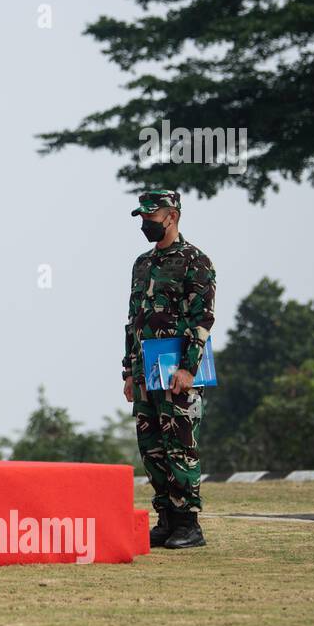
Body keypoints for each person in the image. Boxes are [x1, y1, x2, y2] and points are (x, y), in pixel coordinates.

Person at [123, 190, 216, 549]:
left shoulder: (196, 261)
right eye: (142, 218)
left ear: (172, 217)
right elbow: (134, 321)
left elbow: (202, 319)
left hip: (180, 371)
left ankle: (189, 524)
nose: (145, 224)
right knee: (152, 448)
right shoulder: (142, 264)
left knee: (180, 446)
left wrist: (188, 368)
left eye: (151, 217)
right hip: (147, 371)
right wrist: (129, 372)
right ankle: (167, 519)